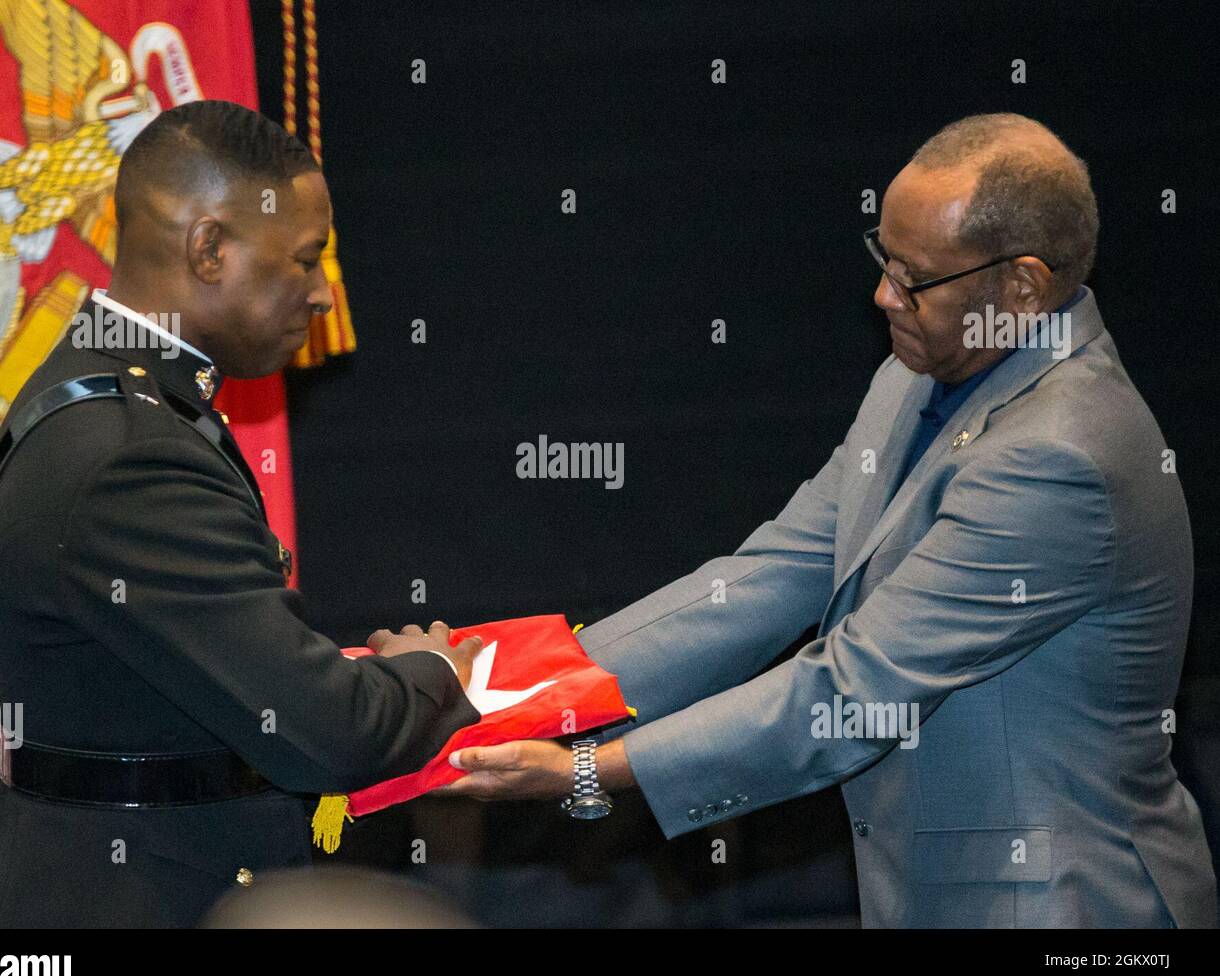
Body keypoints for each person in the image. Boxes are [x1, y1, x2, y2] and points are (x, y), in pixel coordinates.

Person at [442, 113, 1218, 928]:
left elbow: (853, 692)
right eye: (883, 258)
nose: (884, 294)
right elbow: (761, 581)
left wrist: (587, 772)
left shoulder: (1058, 458)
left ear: (1020, 286)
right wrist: (490, 689)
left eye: (914, 277)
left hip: (1069, 912)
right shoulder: (913, 379)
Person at [0, 100, 483, 929]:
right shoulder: (135, 452)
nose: (320, 296)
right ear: (208, 248)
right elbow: (328, 731)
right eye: (304, 262)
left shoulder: (103, 385)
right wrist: (435, 673)